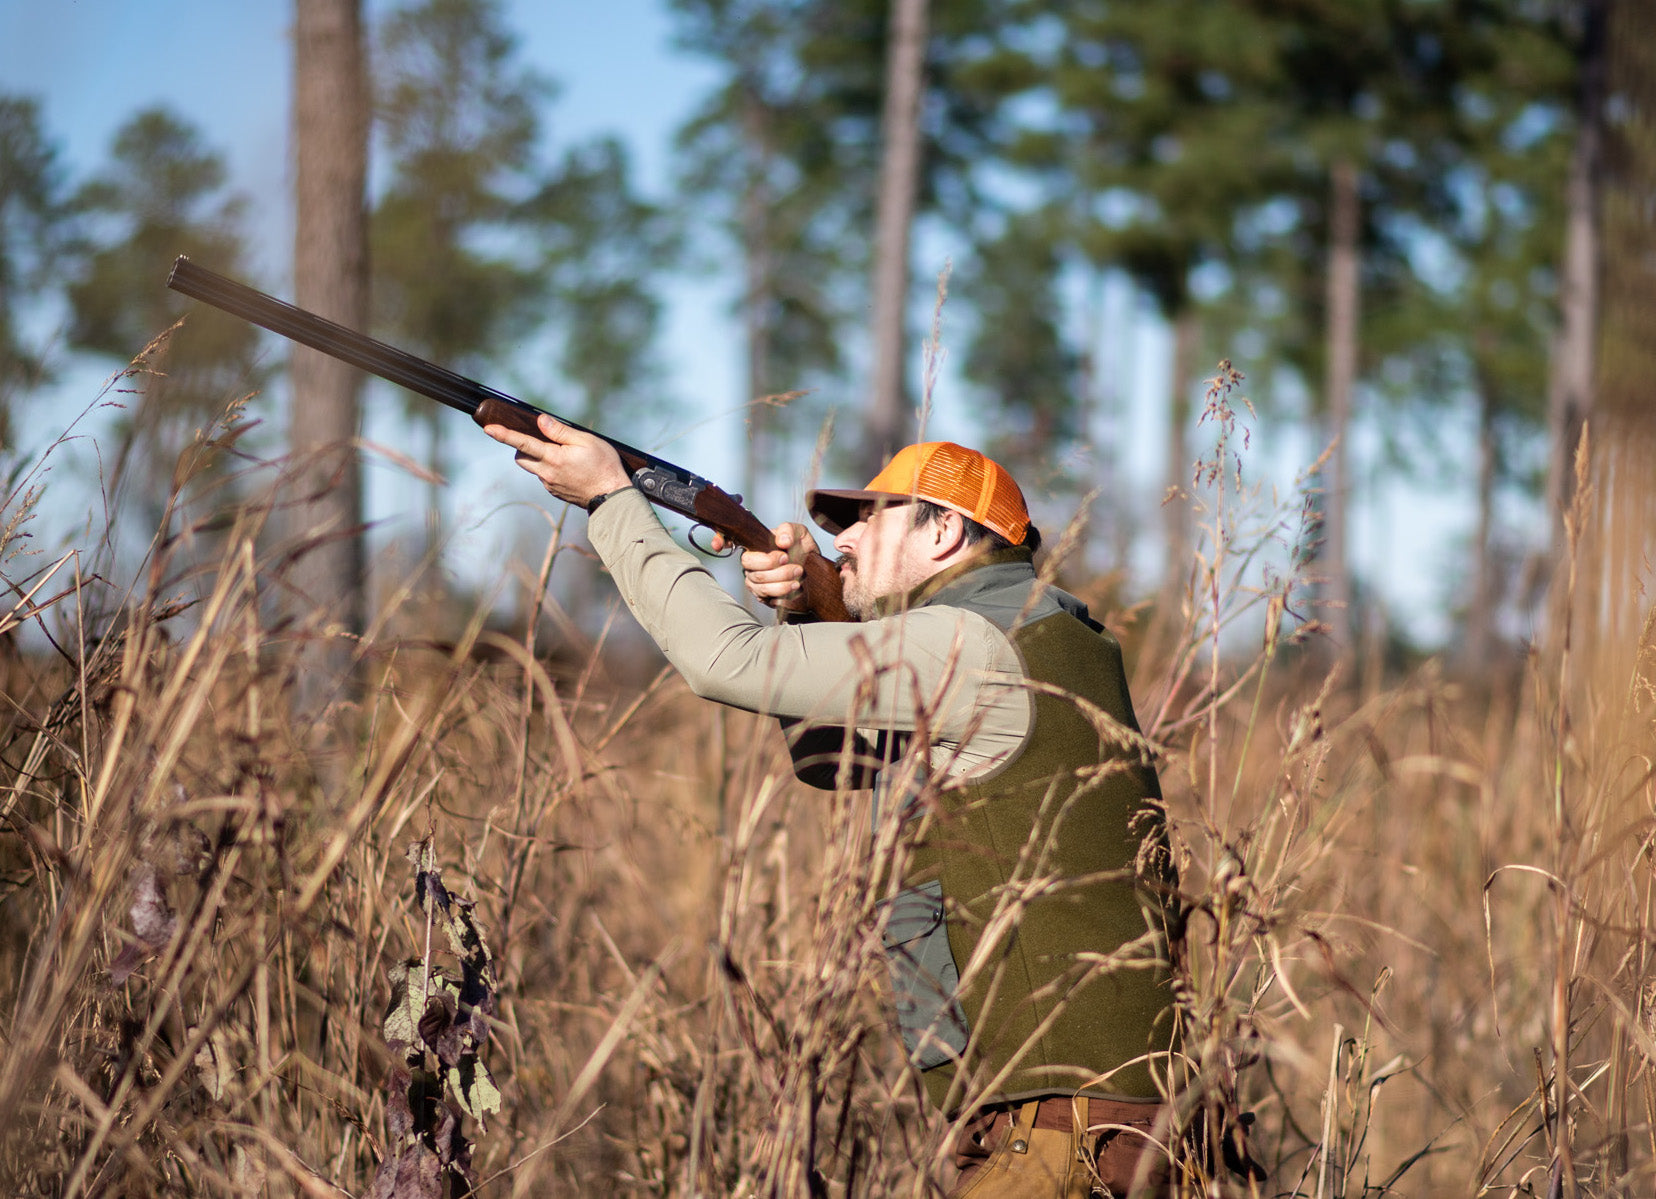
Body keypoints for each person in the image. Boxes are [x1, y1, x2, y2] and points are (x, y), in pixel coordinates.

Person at [486, 415, 1178, 1197]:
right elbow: (835, 757)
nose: (841, 540)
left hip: (1066, 1129)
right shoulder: (1041, 633)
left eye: (866, 520)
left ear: (945, 530)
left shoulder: (969, 642)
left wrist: (612, 500)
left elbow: (723, 659)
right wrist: (807, 606)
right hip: (1090, 1115)